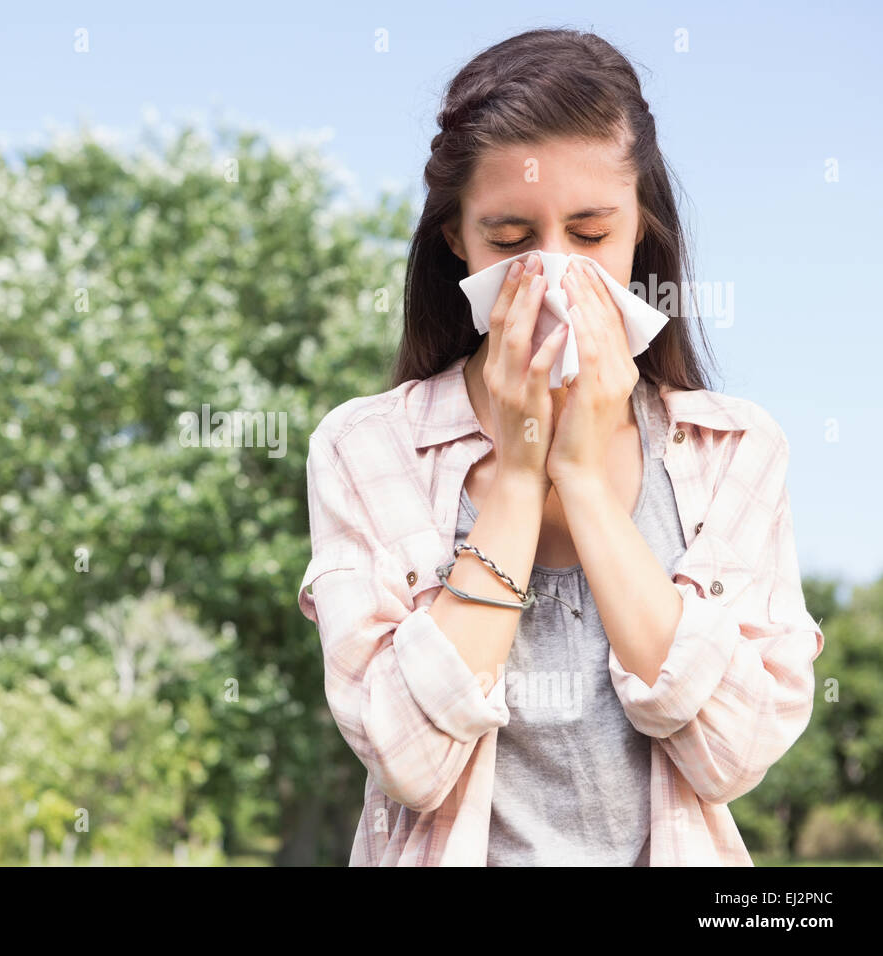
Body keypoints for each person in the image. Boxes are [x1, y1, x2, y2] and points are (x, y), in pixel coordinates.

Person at [297, 27, 824, 866]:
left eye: (589, 235)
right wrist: (515, 478)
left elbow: (734, 753)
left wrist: (579, 474)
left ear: (639, 235)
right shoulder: (367, 449)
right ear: (457, 243)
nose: (550, 273)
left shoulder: (734, 450)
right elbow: (411, 761)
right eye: (509, 239)